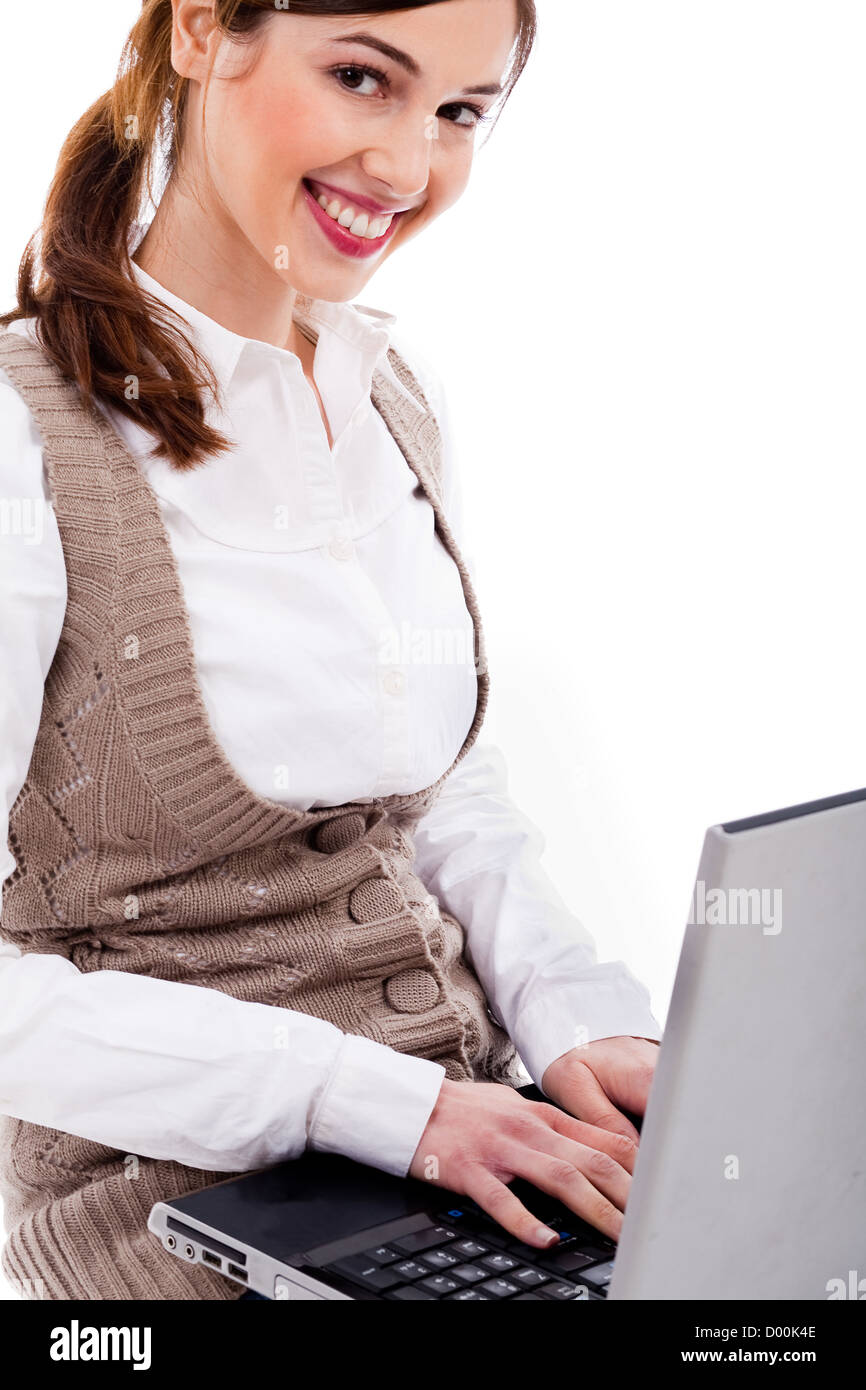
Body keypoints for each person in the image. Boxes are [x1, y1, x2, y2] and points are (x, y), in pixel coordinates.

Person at [0, 0, 661, 1302]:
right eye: (364, 78)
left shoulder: (385, 398)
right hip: (175, 1224)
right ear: (201, 30)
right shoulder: (28, 445)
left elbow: (442, 796)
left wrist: (581, 1018)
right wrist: (388, 1106)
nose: (411, 169)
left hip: (473, 1174)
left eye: (459, 113)